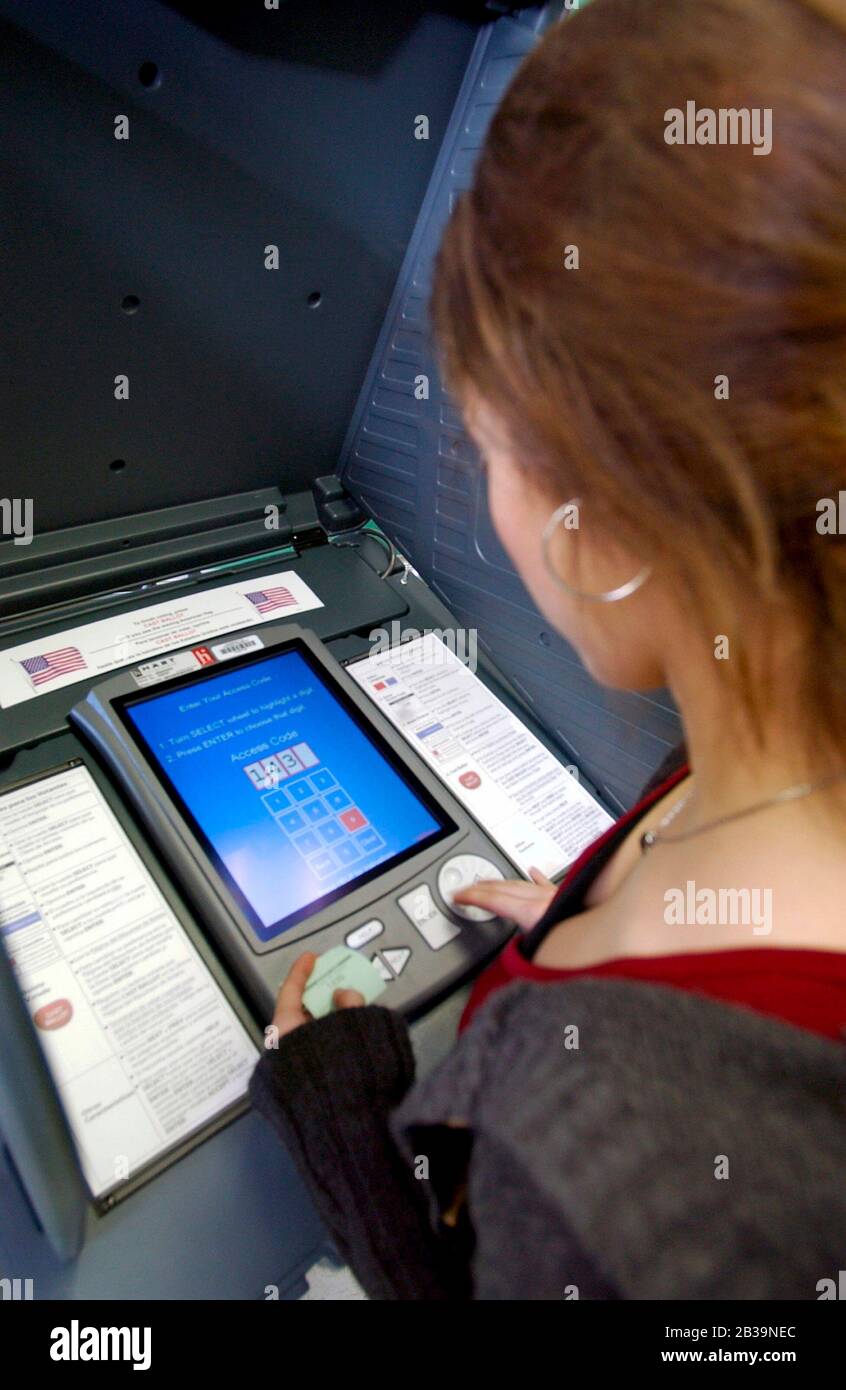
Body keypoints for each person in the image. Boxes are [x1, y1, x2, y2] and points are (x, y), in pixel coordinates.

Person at [249, 0, 846, 1299]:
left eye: (487, 445)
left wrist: (353, 1130)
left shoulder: (631, 1183)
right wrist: (585, 916)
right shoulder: (782, 721)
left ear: (609, 516)